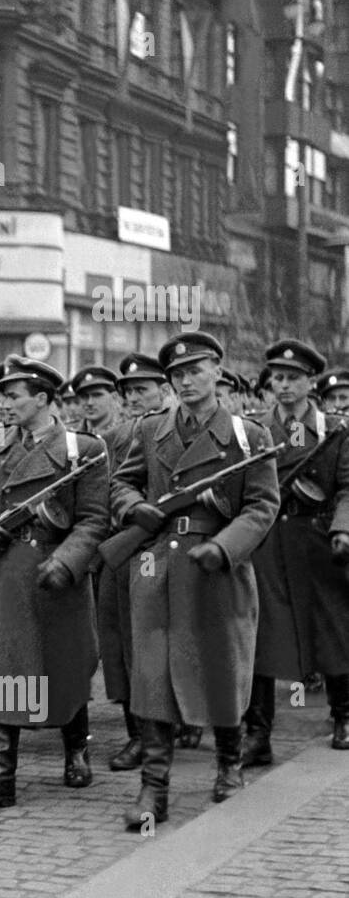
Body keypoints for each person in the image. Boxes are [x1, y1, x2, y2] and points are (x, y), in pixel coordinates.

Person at [110, 332, 279, 827]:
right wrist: (133, 507)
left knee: (221, 664)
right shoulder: (150, 430)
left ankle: (228, 765)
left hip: (217, 567)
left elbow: (263, 505)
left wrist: (224, 548)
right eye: (177, 375)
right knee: (153, 674)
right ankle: (153, 787)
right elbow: (122, 481)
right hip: (159, 563)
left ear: (217, 372)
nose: (185, 381)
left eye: (195, 370)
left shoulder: (249, 436)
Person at [0, 356, 109, 812]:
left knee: (65, 664)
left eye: (13, 396)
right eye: (2, 395)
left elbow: (93, 519)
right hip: (5, 568)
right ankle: (0, 776)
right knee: (2, 666)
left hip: (55, 574)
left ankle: (76, 751)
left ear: (43, 399)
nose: (4, 404)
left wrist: (67, 561)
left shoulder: (83, 450)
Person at [245, 339, 349, 762]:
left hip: (316, 538)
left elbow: (347, 487)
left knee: (332, 627)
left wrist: (343, 530)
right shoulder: (253, 429)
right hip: (267, 538)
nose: (283, 386)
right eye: (277, 378)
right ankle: (258, 734)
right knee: (261, 632)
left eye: (293, 378)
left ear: (311, 383)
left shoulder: (334, 430)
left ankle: (343, 716)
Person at [100, 353, 171, 772]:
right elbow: (109, 489)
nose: (134, 397)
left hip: (169, 548)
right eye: (128, 391)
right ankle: (137, 735)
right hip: (125, 547)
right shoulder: (114, 437)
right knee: (124, 645)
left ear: (164, 390)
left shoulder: (177, 429)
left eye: (142, 389)